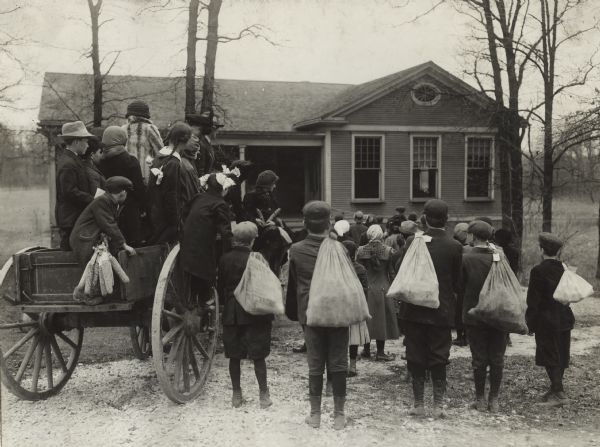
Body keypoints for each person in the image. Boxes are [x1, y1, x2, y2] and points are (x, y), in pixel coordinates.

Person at [396, 199, 462, 418]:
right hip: (440, 311)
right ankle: (438, 406)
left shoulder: (412, 243)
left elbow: (401, 271)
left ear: (424, 218)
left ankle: (418, 404)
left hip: (413, 311)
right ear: (447, 219)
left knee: (415, 354)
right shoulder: (454, 246)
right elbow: (457, 282)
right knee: (439, 355)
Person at [285, 200, 348, 430]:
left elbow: (292, 283)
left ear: (304, 223)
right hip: (338, 312)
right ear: (329, 222)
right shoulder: (340, 248)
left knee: (315, 363)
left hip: (310, 312)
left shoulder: (296, 250)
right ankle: (339, 415)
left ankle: (315, 415)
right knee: (339, 362)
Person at [217, 221, 273, 409]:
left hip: (233, 312)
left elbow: (221, 286)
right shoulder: (257, 258)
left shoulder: (224, 259)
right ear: (252, 241)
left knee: (234, 355)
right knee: (258, 356)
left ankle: (236, 394)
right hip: (255, 311)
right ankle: (263, 394)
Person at [460, 220, 508, 413]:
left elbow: (459, 286)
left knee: (478, 358)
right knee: (497, 357)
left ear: (473, 236)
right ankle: (494, 400)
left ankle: (480, 399)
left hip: (475, 313)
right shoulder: (500, 255)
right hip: (499, 313)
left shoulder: (466, 257)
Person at [526, 232, 573, 406]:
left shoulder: (538, 270)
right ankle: (554, 389)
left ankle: (559, 394)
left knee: (549, 355)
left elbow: (533, 301)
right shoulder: (565, 268)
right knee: (560, 354)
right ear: (558, 251)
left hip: (546, 321)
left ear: (541, 249)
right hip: (565, 318)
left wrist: (530, 324)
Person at [180, 172, 234, 304]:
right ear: (224, 189)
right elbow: (226, 232)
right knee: (207, 276)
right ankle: (205, 305)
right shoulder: (220, 204)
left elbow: (184, 213)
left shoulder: (198, 197)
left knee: (194, 278)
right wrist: (229, 254)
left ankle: (193, 300)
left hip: (186, 245)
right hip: (202, 250)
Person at [69, 176, 137, 267]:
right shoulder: (103, 201)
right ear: (123, 192)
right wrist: (124, 245)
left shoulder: (109, 201)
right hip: (85, 240)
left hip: (89, 238)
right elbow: (109, 224)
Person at [98, 126, 148, 247]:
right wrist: (144, 208)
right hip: (130, 213)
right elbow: (139, 190)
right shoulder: (130, 161)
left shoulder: (100, 162)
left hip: (108, 212)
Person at [357, 225, 399, 361]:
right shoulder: (388, 251)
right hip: (383, 288)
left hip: (366, 288)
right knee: (382, 319)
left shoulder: (361, 251)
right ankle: (380, 352)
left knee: (367, 319)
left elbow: (358, 271)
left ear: (368, 235)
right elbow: (392, 273)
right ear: (381, 235)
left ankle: (366, 349)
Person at [147, 122, 192, 244]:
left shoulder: (160, 157)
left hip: (156, 214)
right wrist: (176, 222)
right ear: (185, 140)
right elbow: (171, 195)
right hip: (167, 220)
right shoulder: (173, 162)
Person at [56, 121, 96, 250]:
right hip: (70, 219)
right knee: (68, 257)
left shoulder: (73, 160)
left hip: (73, 217)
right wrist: (92, 199)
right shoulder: (68, 163)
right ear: (77, 142)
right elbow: (70, 191)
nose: (87, 144)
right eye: (85, 141)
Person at [342, 240, 369, 378]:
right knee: (353, 338)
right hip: (356, 307)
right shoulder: (360, 269)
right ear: (355, 253)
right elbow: (365, 290)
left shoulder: (337, 268)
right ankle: (352, 366)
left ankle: (340, 364)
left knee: (340, 336)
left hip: (340, 307)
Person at [122, 100, 164, 180]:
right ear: (146, 115)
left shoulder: (122, 129)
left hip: (125, 175)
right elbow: (160, 153)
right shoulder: (150, 128)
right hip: (144, 176)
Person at [452, 222, 470, 347]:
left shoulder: (456, 246)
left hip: (460, 283)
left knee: (460, 309)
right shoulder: (468, 247)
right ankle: (464, 336)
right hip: (464, 283)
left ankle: (461, 336)